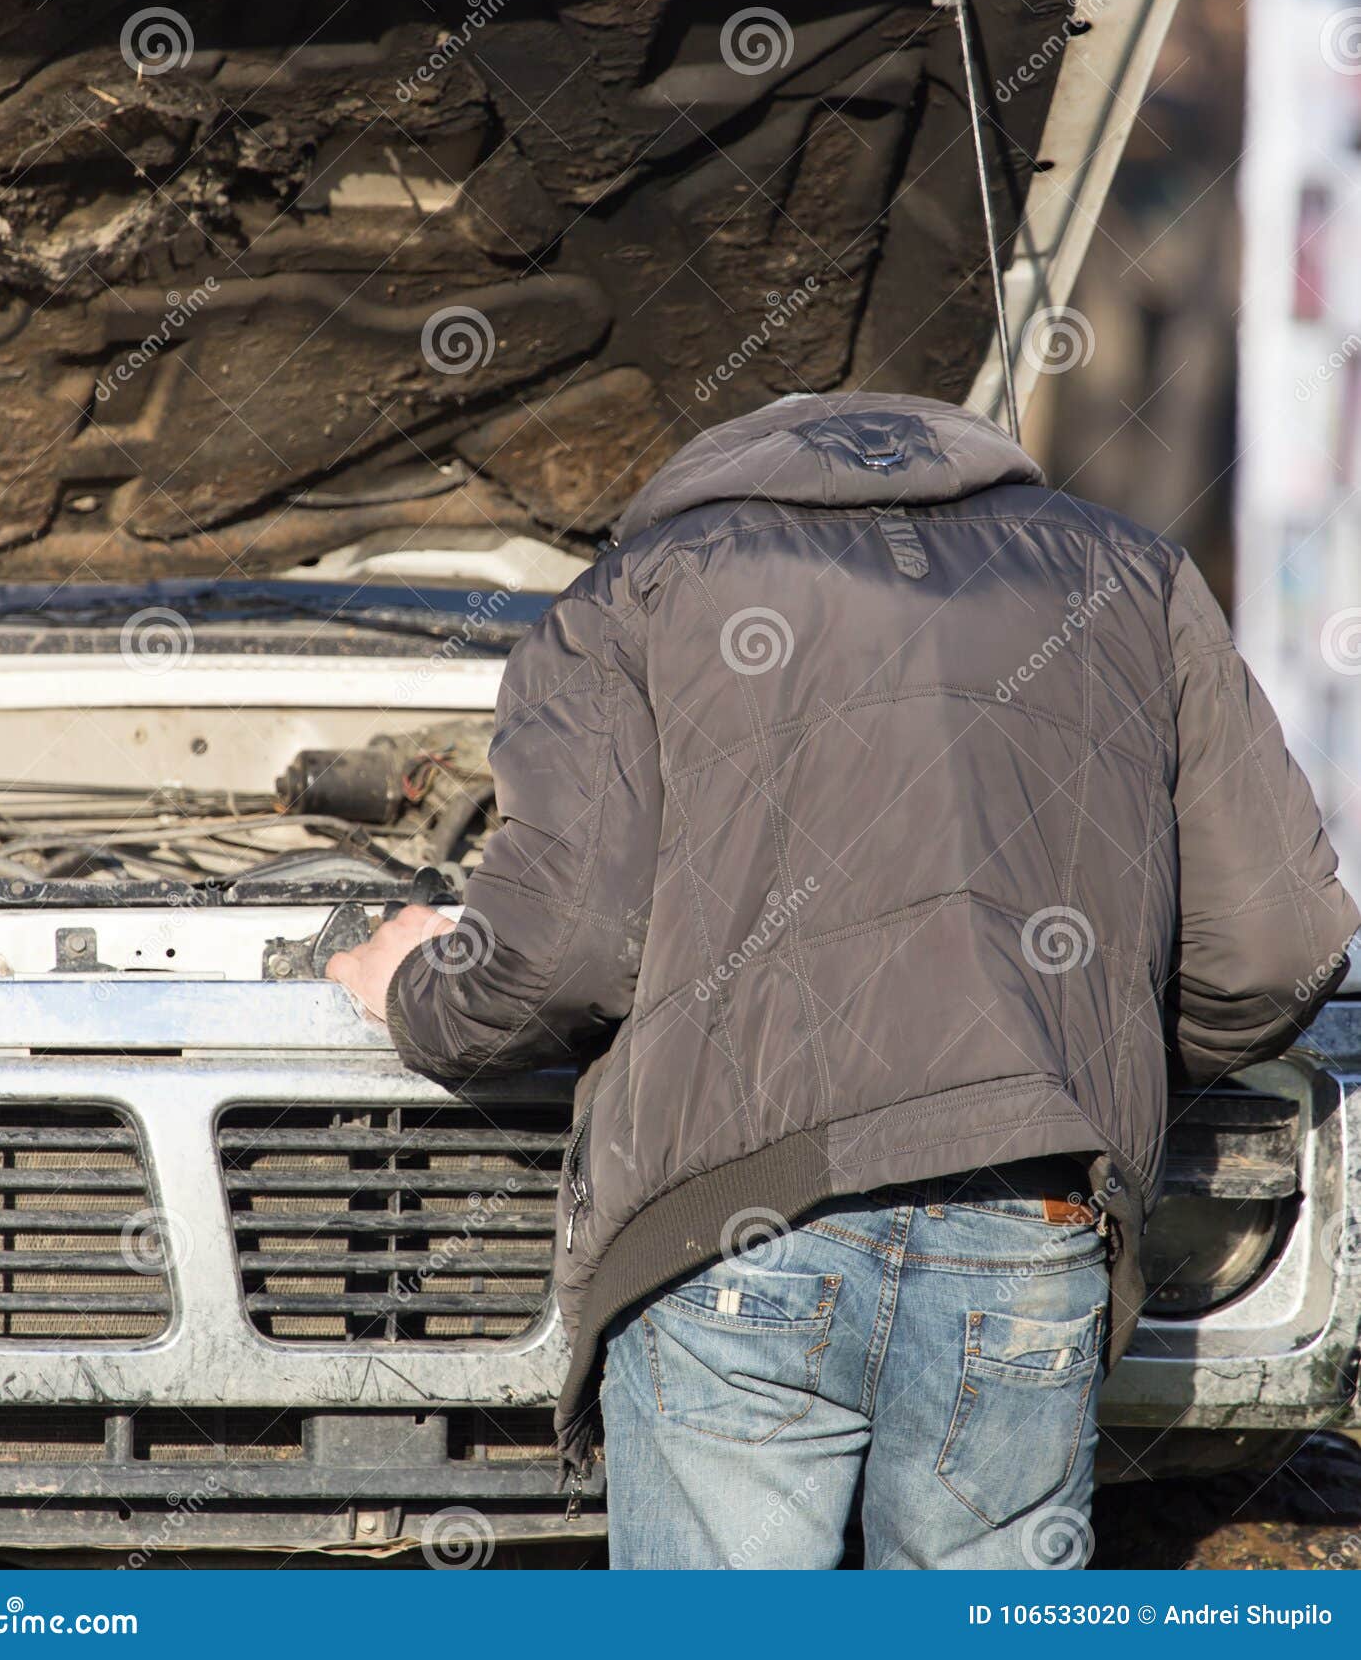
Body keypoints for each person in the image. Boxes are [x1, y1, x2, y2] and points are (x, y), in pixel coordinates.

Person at [326, 392, 1358, 1569]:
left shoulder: (640, 589)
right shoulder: (1135, 579)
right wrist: (1065, 1057)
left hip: (735, 1228)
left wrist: (413, 980)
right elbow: (1282, 946)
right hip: (1029, 1220)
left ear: (719, 469)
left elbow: (550, 954)